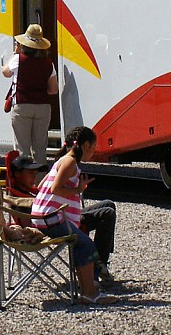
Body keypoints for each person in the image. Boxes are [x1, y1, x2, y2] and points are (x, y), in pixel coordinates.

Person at [31, 126, 118, 304]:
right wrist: (77, 190)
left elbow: (42, 185)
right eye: (93, 147)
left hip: (46, 216)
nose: (93, 152)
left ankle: (88, 291)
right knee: (86, 246)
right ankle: (90, 293)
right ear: (85, 145)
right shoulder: (70, 162)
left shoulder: (63, 160)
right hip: (52, 218)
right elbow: (55, 188)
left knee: (83, 243)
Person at [1, 24, 58, 162]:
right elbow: (53, 90)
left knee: (23, 149)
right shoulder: (48, 63)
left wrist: (15, 52)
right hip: (43, 108)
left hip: (22, 106)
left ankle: (24, 181)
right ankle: (40, 180)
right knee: (40, 149)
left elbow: (5, 72)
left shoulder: (18, 59)